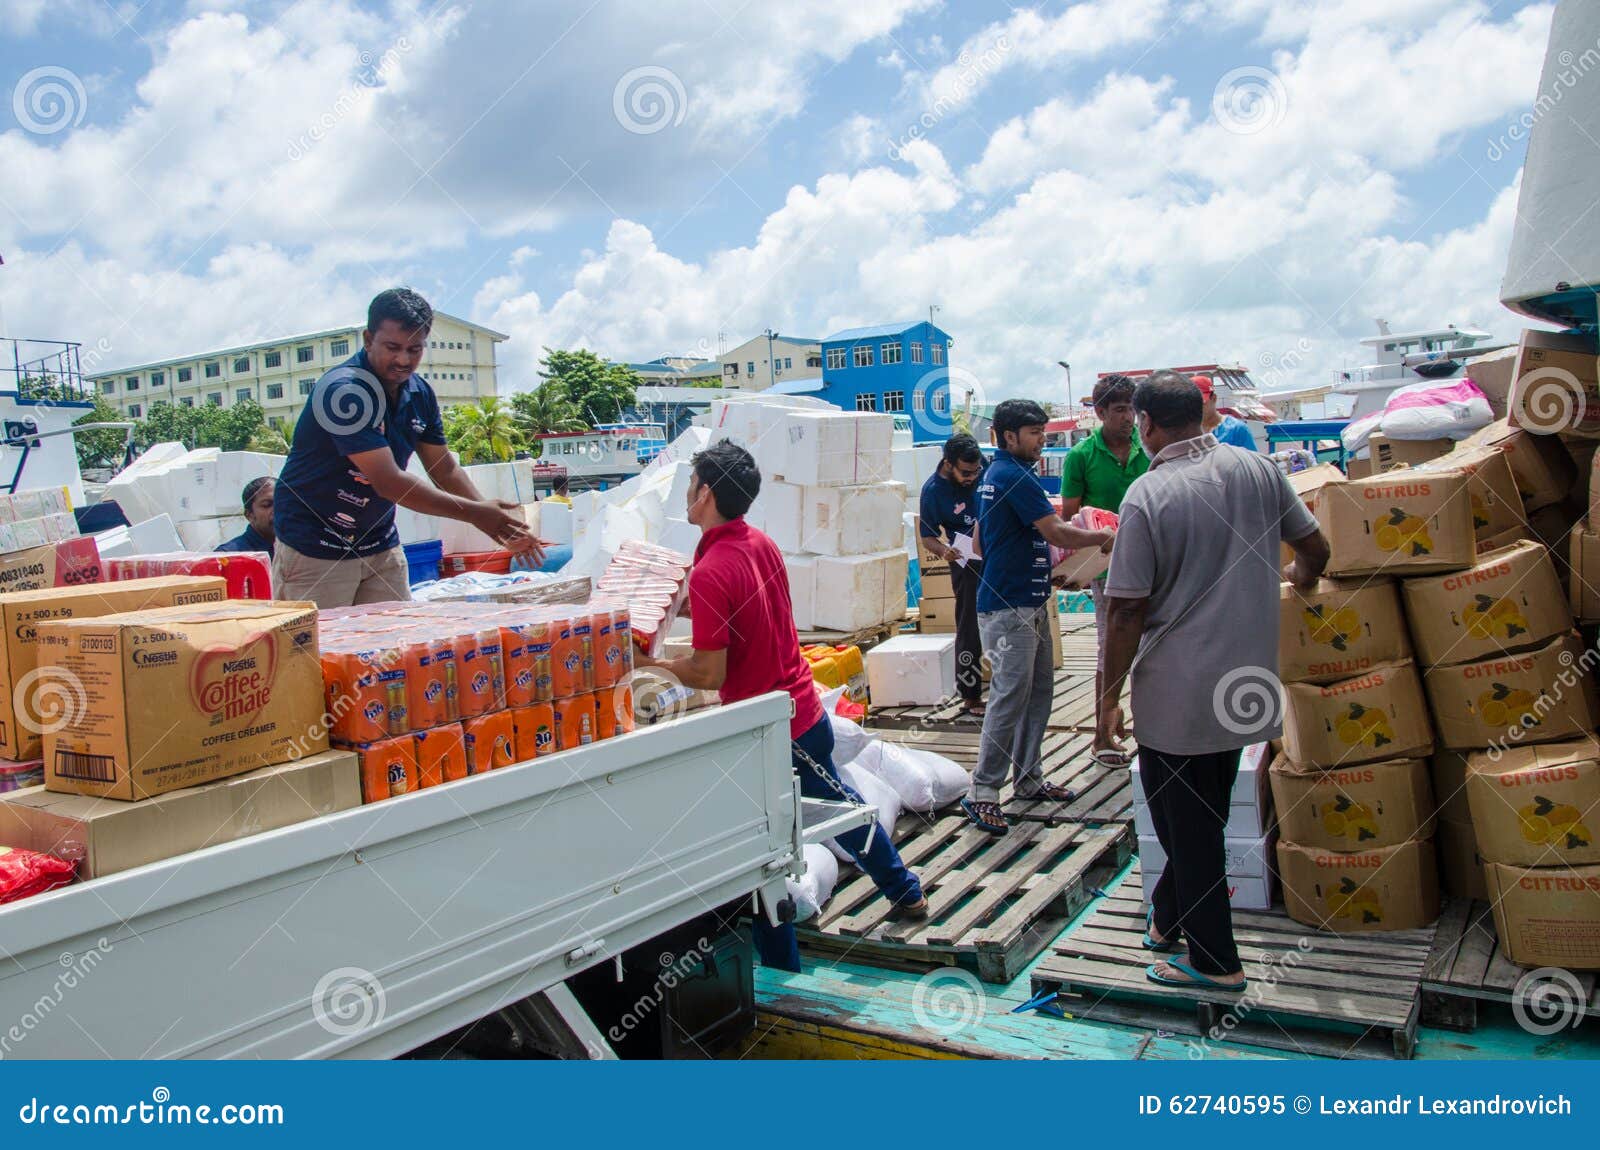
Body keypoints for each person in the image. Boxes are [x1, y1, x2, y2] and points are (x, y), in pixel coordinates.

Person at [636, 440, 928, 969]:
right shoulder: (759, 544)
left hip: (769, 731)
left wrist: (647, 667)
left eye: (691, 484)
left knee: (765, 855)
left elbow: (709, 671)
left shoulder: (711, 570)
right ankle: (905, 891)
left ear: (705, 492)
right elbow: (744, 621)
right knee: (840, 807)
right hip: (805, 712)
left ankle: (781, 964)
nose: (686, 493)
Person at [1098, 371, 1328, 992]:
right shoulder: (1259, 470)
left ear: (1145, 424)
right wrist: (1299, 584)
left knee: (1188, 827)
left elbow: (1124, 610)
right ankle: (1169, 918)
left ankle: (1215, 962)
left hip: (1180, 691)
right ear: (1203, 413)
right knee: (1202, 810)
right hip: (1248, 682)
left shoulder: (1148, 494)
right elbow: (1316, 548)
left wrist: (1106, 701)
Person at [273, 288, 541, 608]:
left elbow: (443, 467)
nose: (403, 360)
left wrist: (493, 517)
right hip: (315, 549)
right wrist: (476, 514)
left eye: (415, 349)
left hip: (379, 544)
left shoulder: (419, 393)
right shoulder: (343, 392)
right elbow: (388, 482)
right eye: (392, 347)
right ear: (368, 339)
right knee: (322, 653)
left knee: (393, 648)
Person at [962, 399, 1115, 836]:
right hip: (1009, 605)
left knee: (1039, 690)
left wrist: (1049, 569)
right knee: (1011, 696)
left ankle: (1027, 780)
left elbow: (979, 537)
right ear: (1007, 436)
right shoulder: (1012, 474)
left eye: (1042, 430)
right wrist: (1103, 537)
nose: (1041, 439)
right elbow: (1056, 531)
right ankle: (984, 792)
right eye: (1033, 432)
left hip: (1026, 598)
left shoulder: (998, 476)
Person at [1060, 373, 1148, 766]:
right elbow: (1068, 520)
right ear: (1099, 413)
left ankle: (1151, 730)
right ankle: (1102, 737)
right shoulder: (1081, 456)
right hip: (1106, 573)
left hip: (1153, 567)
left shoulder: (1150, 449)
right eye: (1119, 410)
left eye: (1132, 409)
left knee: (1154, 651)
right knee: (1108, 652)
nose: (1127, 418)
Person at [918, 434, 987, 716]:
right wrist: (945, 551)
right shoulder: (933, 491)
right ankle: (971, 696)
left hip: (995, 551)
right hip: (964, 560)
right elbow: (927, 538)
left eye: (976, 471)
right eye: (966, 473)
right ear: (949, 464)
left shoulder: (981, 468)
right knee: (970, 626)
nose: (972, 477)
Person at [217, 476, 276, 556]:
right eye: (267, 505)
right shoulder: (227, 556)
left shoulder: (295, 549)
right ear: (249, 515)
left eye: (282, 503)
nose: (278, 510)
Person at [1194, 375, 1257, 450]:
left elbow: (1250, 460)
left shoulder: (1237, 430)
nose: (1196, 408)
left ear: (1214, 398)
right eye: (1192, 404)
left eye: (1201, 403)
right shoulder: (1188, 433)